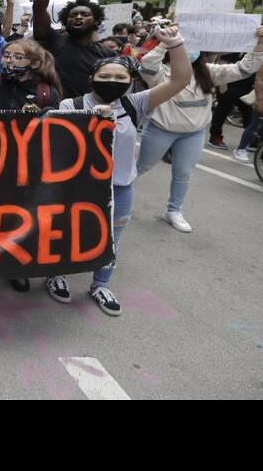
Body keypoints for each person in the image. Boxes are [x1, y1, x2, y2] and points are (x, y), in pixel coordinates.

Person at [49, 26, 193, 315]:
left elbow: (180, 80)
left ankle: (101, 284)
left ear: (130, 81)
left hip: (120, 187)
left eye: (120, 77)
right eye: (105, 76)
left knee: (111, 238)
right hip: (76, 186)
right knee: (67, 232)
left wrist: (175, 44)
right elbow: (55, 139)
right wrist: (88, 120)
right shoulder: (71, 104)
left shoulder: (135, 103)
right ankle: (57, 275)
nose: (111, 81)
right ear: (92, 79)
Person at [136, 26, 263, 232]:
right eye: (183, 44)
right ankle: (110, 194)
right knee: (140, 167)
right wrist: (166, 41)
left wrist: (258, 43)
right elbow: (147, 64)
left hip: (194, 133)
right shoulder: (161, 73)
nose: (188, 49)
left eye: (192, 45)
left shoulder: (210, 72)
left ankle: (174, 210)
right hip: (161, 130)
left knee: (183, 173)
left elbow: (244, 68)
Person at [31, 0, 116, 99]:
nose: (78, 17)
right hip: (55, 112)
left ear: (96, 21)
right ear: (65, 21)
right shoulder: (54, 41)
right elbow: (39, 9)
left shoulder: (108, 54)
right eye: (73, 15)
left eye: (85, 14)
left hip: (90, 114)